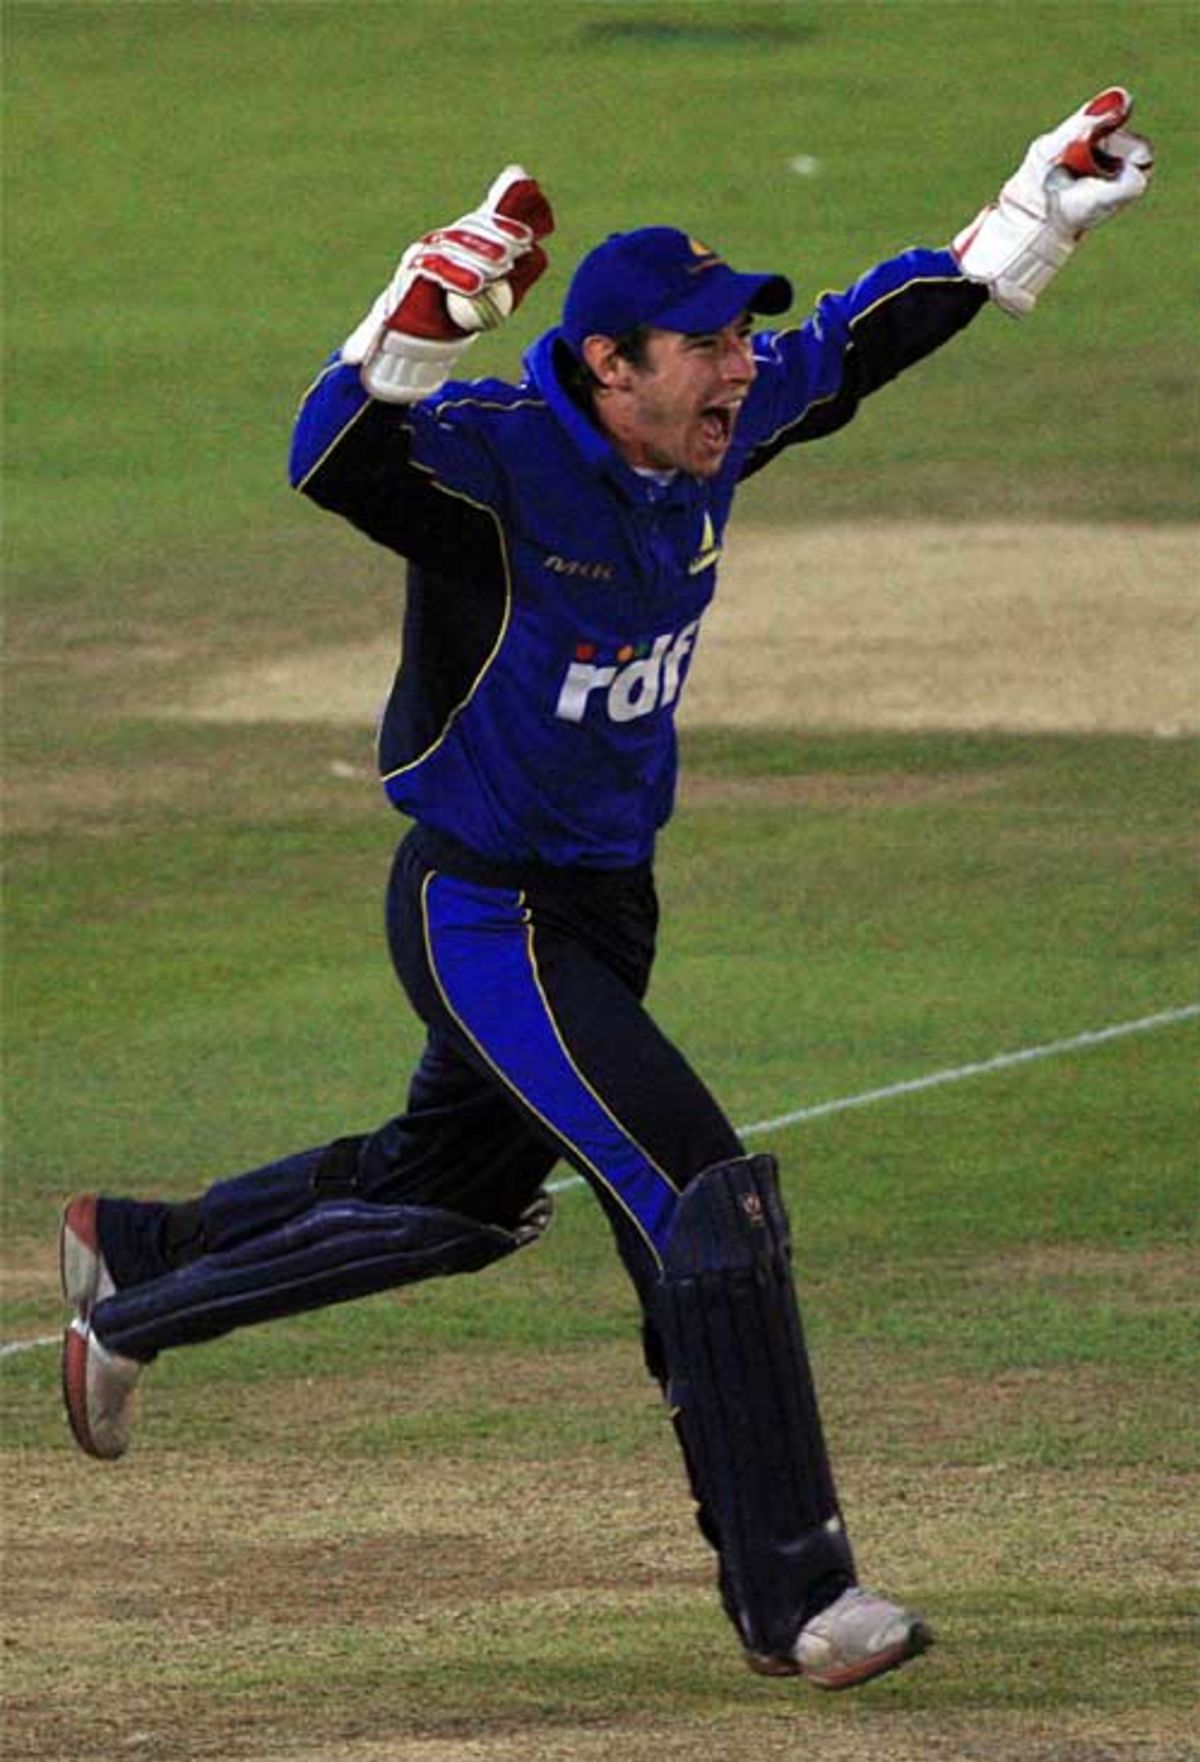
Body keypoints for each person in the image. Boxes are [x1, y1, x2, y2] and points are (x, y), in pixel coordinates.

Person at [59, 91, 1152, 1689]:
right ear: (605, 365)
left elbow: (853, 346)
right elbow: (332, 454)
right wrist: (416, 320)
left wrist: (1033, 212)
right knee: (696, 1190)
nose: (738, 367)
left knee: (452, 1194)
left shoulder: (711, 427)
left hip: (603, 906)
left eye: (735, 341)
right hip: (484, 906)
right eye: (703, 346)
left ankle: (143, 1265)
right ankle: (797, 1593)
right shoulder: (503, 464)